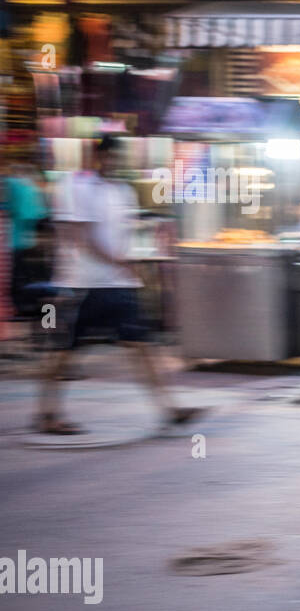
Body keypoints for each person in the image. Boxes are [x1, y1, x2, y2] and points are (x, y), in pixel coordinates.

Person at [34, 136, 204, 435]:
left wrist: (130, 266)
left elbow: (126, 235)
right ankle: (47, 413)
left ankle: (169, 409)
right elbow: (81, 239)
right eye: (109, 157)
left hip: (117, 284)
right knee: (64, 352)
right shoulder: (77, 187)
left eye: (118, 159)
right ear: (97, 156)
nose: (113, 163)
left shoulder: (124, 191)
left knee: (141, 345)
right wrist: (121, 263)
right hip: (81, 284)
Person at [2, 159, 49, 318]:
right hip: (23, 240)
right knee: (24, 278)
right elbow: (37, 215)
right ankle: (43, 317)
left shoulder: (13, 185)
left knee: (17, 278)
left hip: (13, 240)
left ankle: (24, 310)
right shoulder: (29, 188)